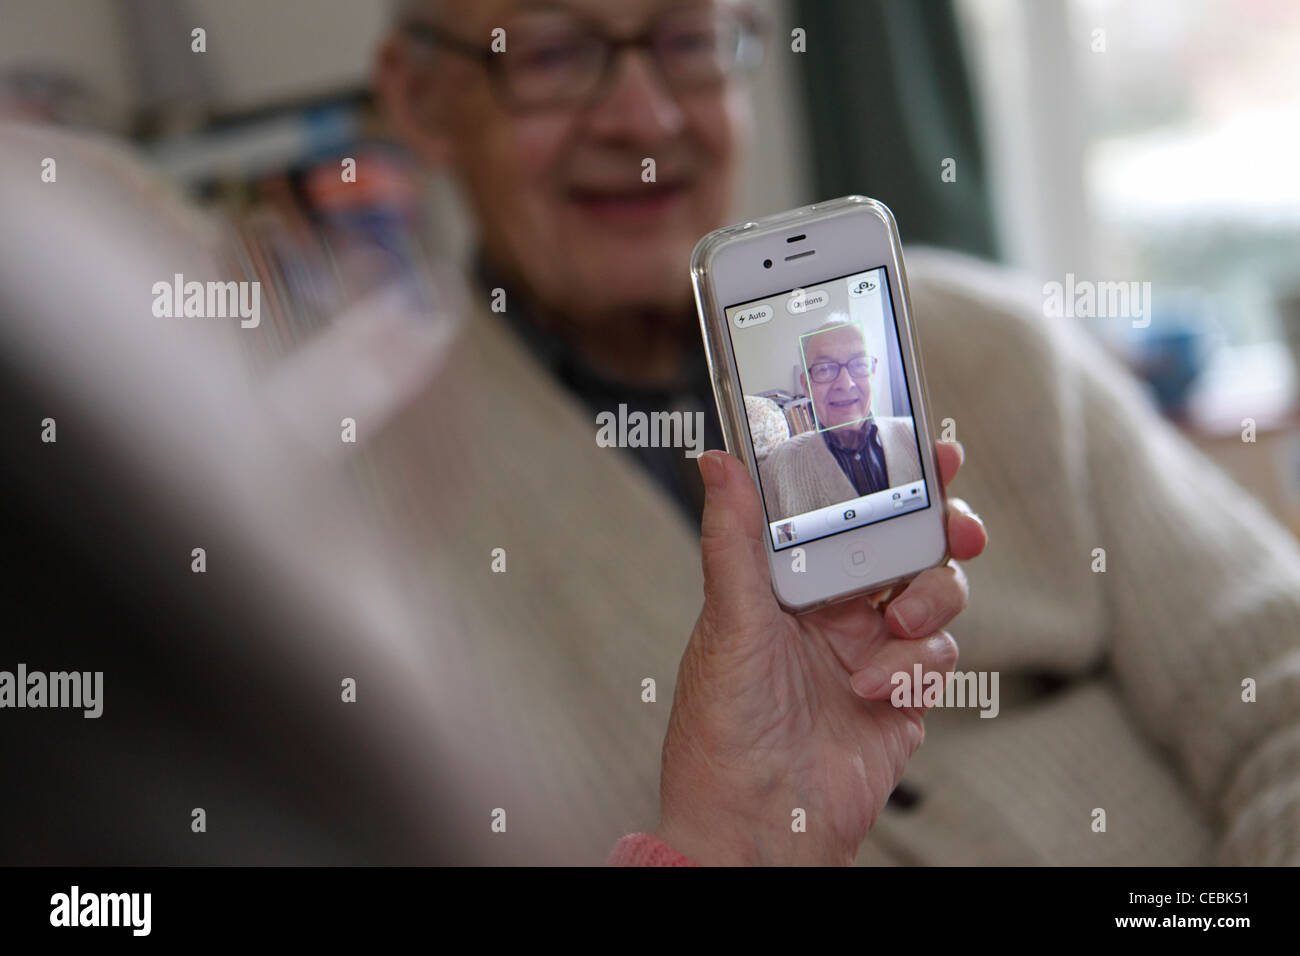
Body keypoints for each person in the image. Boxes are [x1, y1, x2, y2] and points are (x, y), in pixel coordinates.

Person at [374, 0, 1300, 865]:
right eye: (551, 53)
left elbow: (1279, 689)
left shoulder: (1000, 344)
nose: (645, 119)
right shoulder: (356, 534)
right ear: (419, 99)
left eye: (688, 40)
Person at [760, 317, 923, 522]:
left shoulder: (916, 437)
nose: (845, 384)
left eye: (859, 364)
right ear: (806, 385)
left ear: (872, 372)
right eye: (825, 369)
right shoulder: (777, 469)